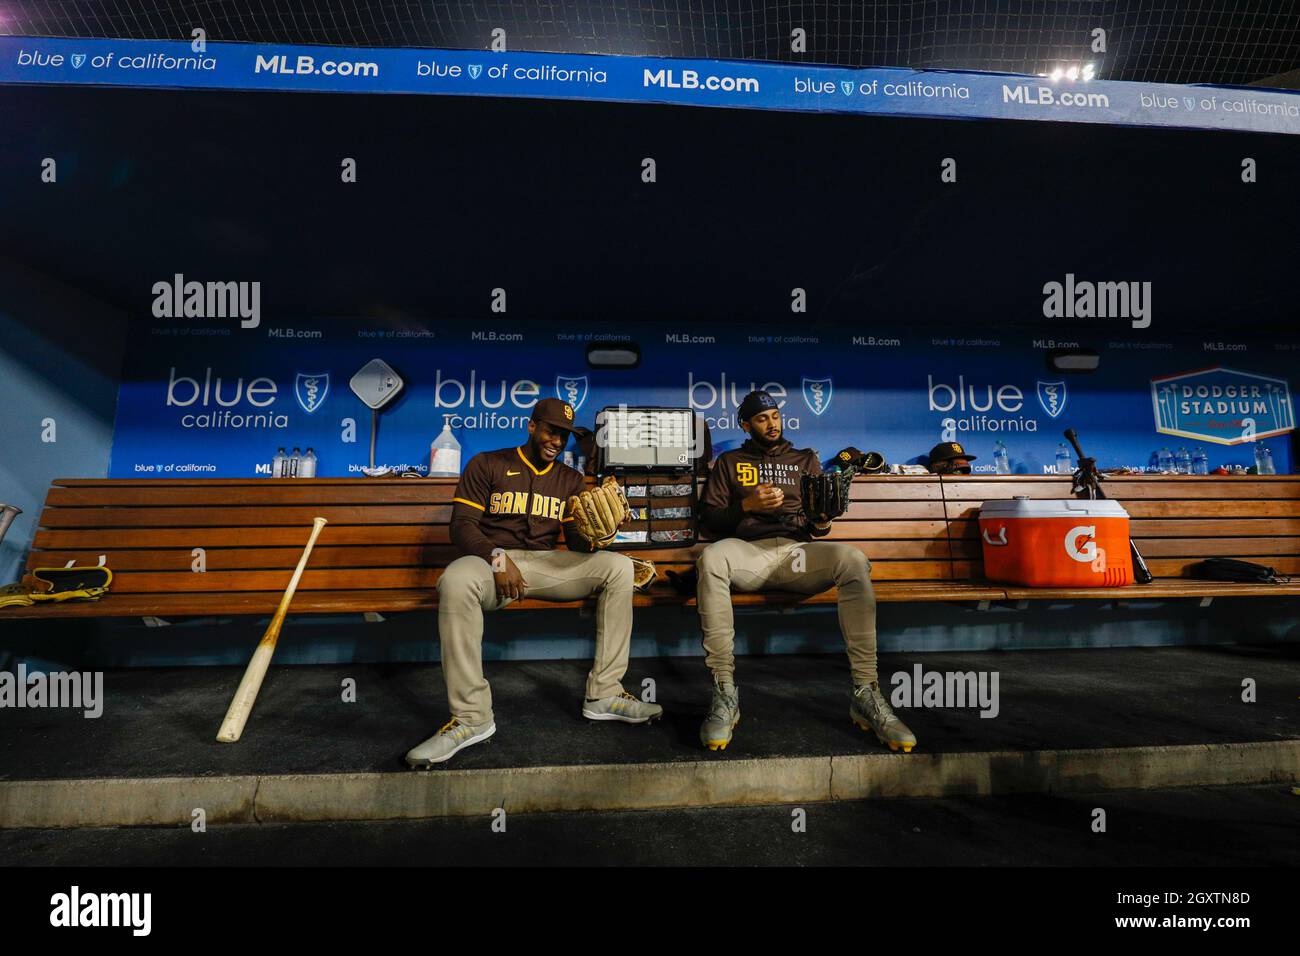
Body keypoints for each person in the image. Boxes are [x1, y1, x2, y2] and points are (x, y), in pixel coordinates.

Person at [405, 397, 662, 768]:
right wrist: (496, 557)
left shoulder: (571, 479)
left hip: (545, 565)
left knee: (618, 568)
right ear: (531, 426)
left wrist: (599, 534)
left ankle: (604, 694)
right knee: (456, 580)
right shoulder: (488, 464)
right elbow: (461, 527)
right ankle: (472, 718)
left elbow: (575, 544)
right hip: (491, 562)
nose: (557, 441)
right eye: (551, 431)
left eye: (565, 436)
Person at [693, 389, 916, 753]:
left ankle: (866, 691)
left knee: (853, 559)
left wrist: (823, 519)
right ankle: (724, 692)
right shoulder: (730, 461)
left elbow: (816, 529)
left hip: (797, 555)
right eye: (762, 418)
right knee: (713, 557)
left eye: (775, 415)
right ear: (746, 425)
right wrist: (745, 506)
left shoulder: (804, 458)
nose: (771, 423)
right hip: (749, 553)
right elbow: (710, 521)